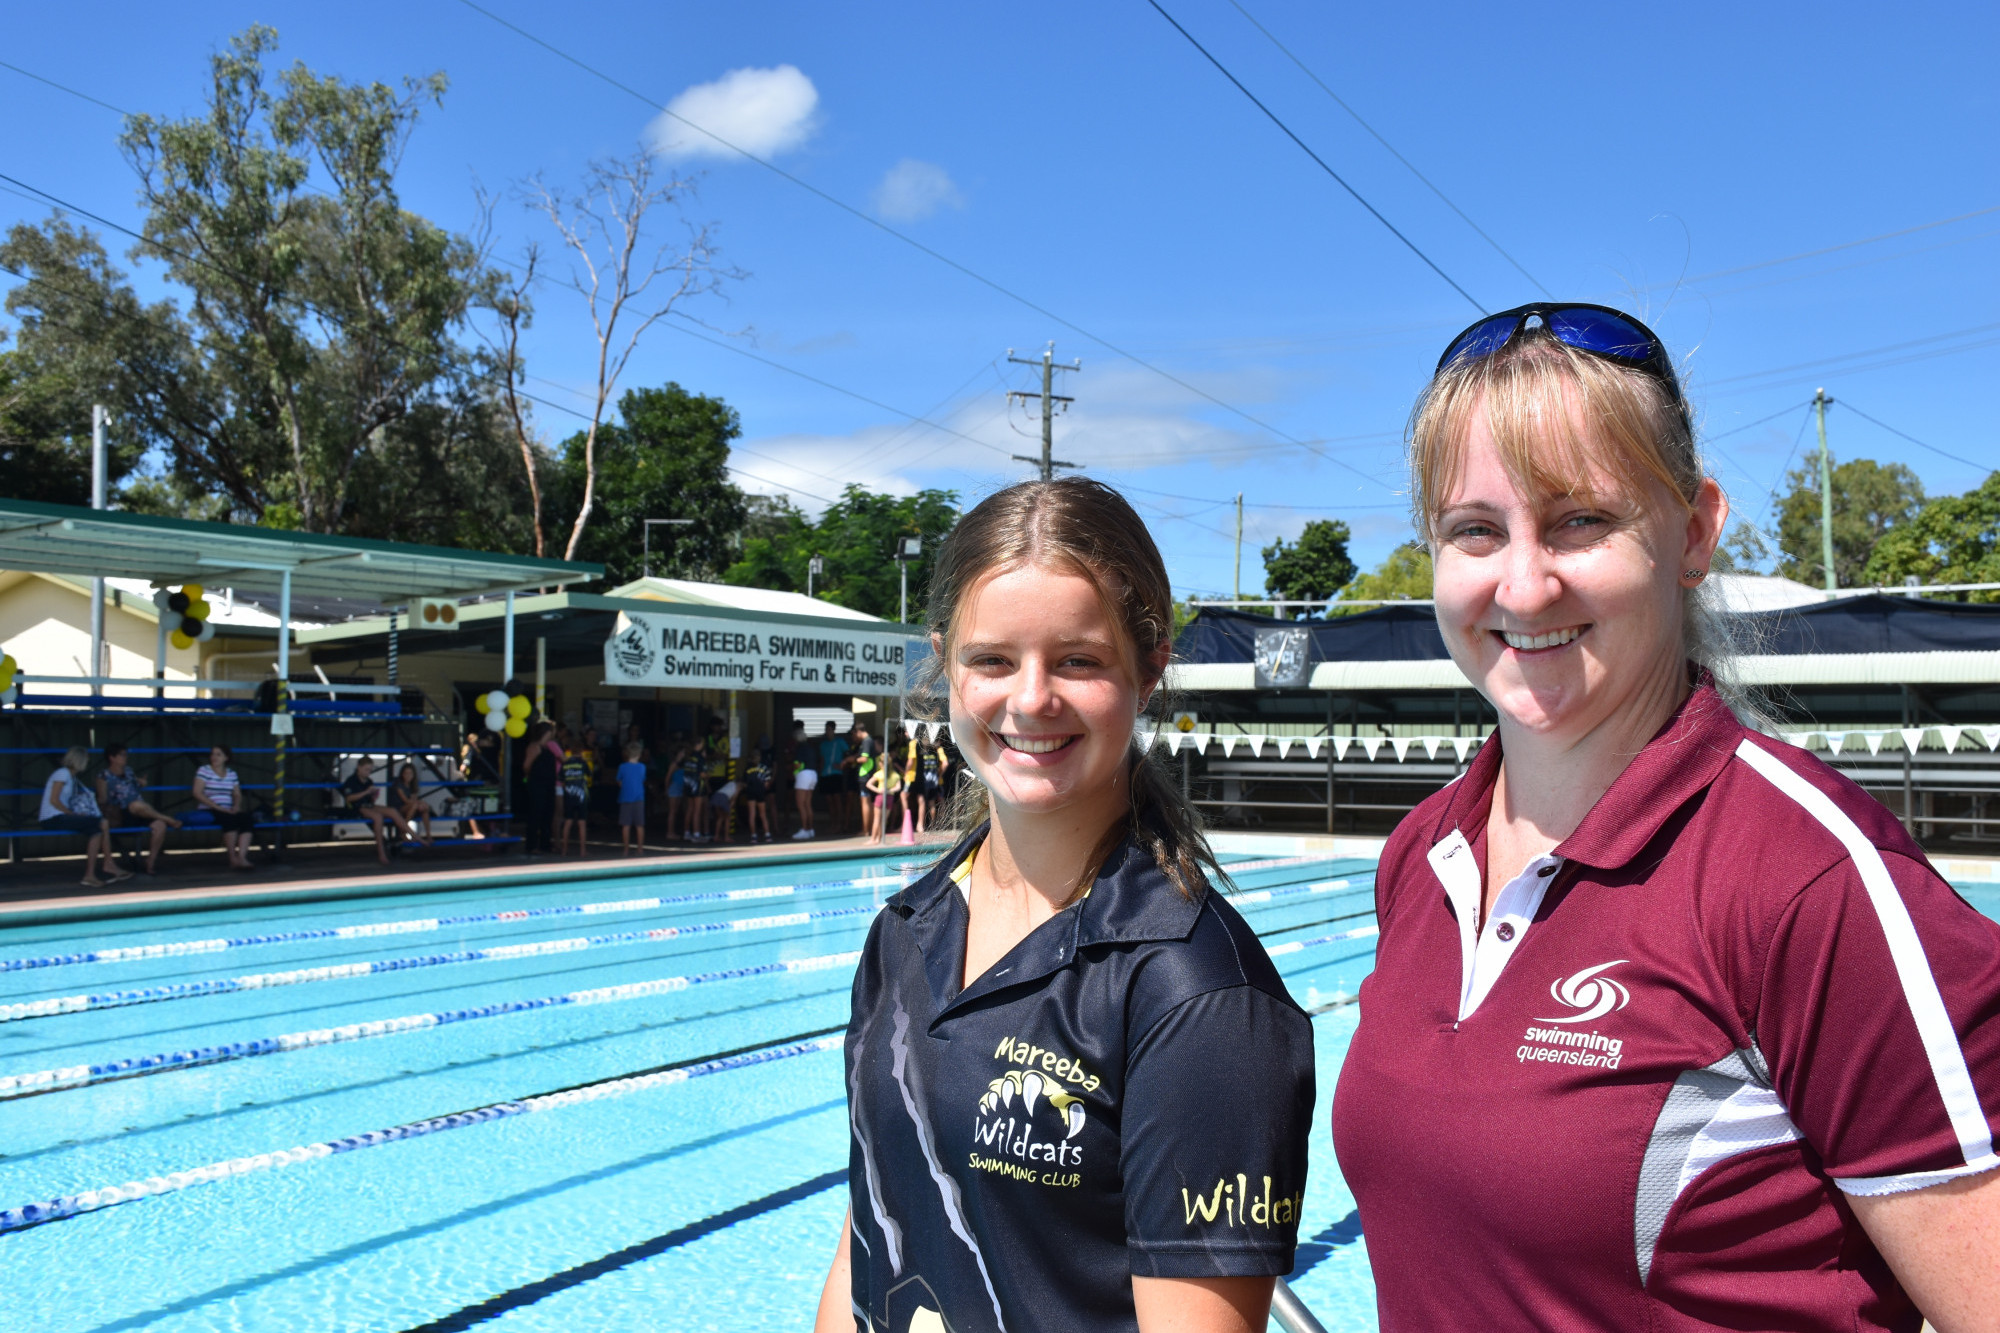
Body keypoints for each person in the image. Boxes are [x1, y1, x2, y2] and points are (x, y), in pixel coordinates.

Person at [1330, 303, 2000, 1331]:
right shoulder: (1420, 857)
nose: (1522, 582)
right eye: (1474, 529)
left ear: (1690, 532)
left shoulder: (1811, 882)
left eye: (1578, 520)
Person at [815, 478, 1314, 1333]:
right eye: (993, 660)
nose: (1031, 698)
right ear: (946, 665)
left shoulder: (1198, 999)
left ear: (1151, 667)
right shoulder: (903, 931)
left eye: (1078, 660)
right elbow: (872, 1224)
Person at [96, 742, 181, 875]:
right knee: (135, 805)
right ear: (112, 758)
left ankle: (150, 861)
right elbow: (102, 799)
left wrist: (141, 783)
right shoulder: (104, 775)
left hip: (140, 811)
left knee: (160, 826)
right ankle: (167, 818)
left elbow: (134, 784)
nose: (125, 757)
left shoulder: (129, 771)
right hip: (121, 813)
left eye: (126, 754)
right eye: (122, 755)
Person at [42, 746, 121, 887]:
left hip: (60, 815)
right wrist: (71, 813)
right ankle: (97, 870)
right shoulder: (63, 774)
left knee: (100, 825)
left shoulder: (70, 777)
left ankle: (103, 865)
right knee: (98, 826)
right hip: (53, 818)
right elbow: (54, 800)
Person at [340, 757, 424, 865]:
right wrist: (366, 792)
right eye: (366, 770)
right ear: (358, 767)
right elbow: (349, 798)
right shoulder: (351, 781)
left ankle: (413, 835)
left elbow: (370, 800)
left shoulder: (369, 781)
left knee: (392, 811)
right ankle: (381, 853)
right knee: (378, 818)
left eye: (370, 770)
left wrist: (374, 795)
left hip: (369, 805)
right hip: (357, 808)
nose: (368, 772)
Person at [190, 744, 258, 871]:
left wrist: (236, 806)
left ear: (226, 758)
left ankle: (242, 857)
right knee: (228, 819)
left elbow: (237, 794)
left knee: (247, 819)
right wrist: (217, 807)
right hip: (209, 807)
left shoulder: (232, 774)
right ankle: (232, 858)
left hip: (228, 808)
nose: (214, 757)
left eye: (218, 754)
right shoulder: (204, 770)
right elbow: (197, 792)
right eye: (213, 754)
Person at [520, 721, 558, 856]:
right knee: (536, 813)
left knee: (548, 814)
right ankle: (531, 845)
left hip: (549, 784)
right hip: (537, 783)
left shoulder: (547, 747)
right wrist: (533, 775)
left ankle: (545, 844)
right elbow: (526, 765)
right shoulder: (535, 747)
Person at [557, 732, 590, 856]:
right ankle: (582, 851)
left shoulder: (565, 764)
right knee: (582, 823)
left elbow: (560, 780)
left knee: (568, 821)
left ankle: (564, 850)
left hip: (569, 796)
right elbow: (589, 776)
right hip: (581, 796)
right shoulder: (583, 763)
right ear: (581, 751)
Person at [862, 751, 902, 847]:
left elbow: (868, 784)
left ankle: (873, 839)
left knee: (877, 819)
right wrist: (889, 790)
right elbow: (898, 787)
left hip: (881, 797)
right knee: (883, 820)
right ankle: (879, 839)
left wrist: (878, 790)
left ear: (880, 763)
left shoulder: (879, 774)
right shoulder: (895, 775)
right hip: (890, 798)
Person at [740, 738, 775, 843]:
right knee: (763, 814)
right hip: (760, 792)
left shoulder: (747, 769)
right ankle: (767, 835)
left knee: (752, 814)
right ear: (759, 758)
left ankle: (753, 836)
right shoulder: (764, 768)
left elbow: (744, 783)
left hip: (750, 792)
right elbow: (767, 782)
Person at [616, 739, 648, 855]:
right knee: (640, 824)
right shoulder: (642, 767)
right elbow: (642, 779)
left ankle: (626, 849)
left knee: (626, 825)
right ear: (639, 754)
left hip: (625, 798)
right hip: (639, 798)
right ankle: (640, 848)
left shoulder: (622, 767)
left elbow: (619, 782)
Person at [817, 721, 848, 834]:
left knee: (837, 800)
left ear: (834, 730)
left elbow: (848, 754)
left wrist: (842, 765)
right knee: (829, 801)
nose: (827, 732)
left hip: (836, 774)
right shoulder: (823, 744)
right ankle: (833, 824)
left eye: (829, 729)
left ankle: (839, 824)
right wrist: (819, 774)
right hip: (825, 775)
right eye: (826, 729)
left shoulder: (840, 742)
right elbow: (821, 760)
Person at [790, 720, 819, 841]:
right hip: (813, 774)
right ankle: (810, 829)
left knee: (801, 804)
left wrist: (791, 768)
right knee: (808, 804)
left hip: (804, 775)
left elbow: (797, 765)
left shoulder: (800, 748)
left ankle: (804, 829)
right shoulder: (810, 747)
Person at [391, 763, 433, 843]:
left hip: (410, 808)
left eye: (410, 773)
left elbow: (414, 799)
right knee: (416, 805)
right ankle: (403, 831)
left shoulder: (413, 785)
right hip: (399, 809)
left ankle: (428, 835)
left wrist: (420, 804)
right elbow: (406, 800)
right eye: (406, 773)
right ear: (402, 774)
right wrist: (420, 803)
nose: (408, 775)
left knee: (424, 809)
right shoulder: (398, 784)